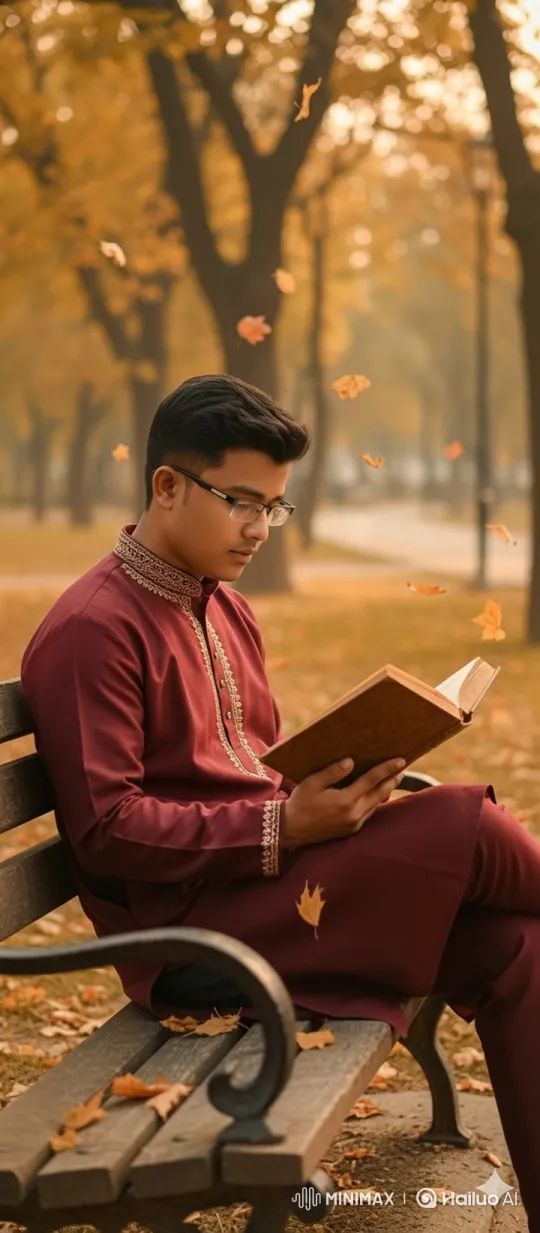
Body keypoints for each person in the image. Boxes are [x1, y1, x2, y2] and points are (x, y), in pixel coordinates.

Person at [20, 374, 540, 1228]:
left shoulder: (224, 608)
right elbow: (109, 833)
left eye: (276, 507)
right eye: (242, 502)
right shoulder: (93, 630)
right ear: (167, 485)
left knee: (518, 944)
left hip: (273, 888)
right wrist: (283, 823)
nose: (261, 528)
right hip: (192, 935)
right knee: (466, 822)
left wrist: (346, 785)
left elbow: (254, 766)